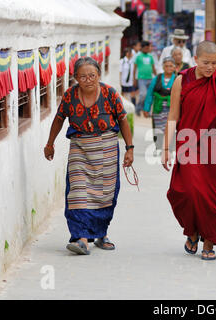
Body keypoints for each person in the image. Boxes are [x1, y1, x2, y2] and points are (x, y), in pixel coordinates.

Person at [162, 41, 216, 261]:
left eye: (215, 63)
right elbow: (173, 115)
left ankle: (209, 241)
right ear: (195, 60)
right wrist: (166, 148)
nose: (210, 68)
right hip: (188, 142)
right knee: (188, 191)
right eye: (206, 63)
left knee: (213, 195)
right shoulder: (183, 80)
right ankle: (192, 229)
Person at [44, 57, 134, 255]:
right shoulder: (69, 95)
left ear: (99, 75)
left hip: (107, 147)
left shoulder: (110, 93)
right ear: (75, 77)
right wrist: (49, 144)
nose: (88, 80)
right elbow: (59, 119)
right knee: (77, 192)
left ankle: (101, 234)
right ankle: (81, 238)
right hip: (80, 148)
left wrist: (130, 148)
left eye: (92, 75)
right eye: (82, 76)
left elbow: (123, 120)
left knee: (104, 195)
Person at [143, 57, 176, 153]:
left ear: (174, 68)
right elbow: (150, 94)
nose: (168, 68)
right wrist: (146, 108)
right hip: (158, 108)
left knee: (170, 127)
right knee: (158, 128)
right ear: (163, 67)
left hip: (172, 109)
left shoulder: (178, 79)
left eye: (171, 66)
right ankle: (159, 148)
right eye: (166, 66)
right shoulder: (156, 78)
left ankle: (169, 148)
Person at [133, 41, 157, 116]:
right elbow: (134, 68)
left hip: (150, 78)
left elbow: (153, 68)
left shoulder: (150, 56)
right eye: (146, 48)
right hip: (141, 79)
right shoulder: (138, 56)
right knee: (143, 94)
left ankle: (147, 110)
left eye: (148, 48)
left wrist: (157, 77)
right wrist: (134, 79)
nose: (147, 49)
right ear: (142, 48)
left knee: (149, 95)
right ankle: (138, 108)